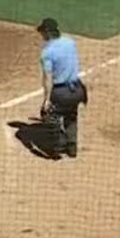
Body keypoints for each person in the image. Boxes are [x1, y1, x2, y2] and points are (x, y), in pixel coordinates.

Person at [37, 17, 87, 158]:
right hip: (78, 90)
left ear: (47, 33)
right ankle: (72, 147)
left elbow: (47, 78)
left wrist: (46, 101)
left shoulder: (47, 53)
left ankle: (58, 147)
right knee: (71, 115)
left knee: (50, 116)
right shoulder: (71, 43)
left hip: (61, 92)